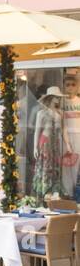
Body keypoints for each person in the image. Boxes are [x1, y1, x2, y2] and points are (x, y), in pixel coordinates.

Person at [32, 87, 65, 199]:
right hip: (45, 142)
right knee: (45, 167)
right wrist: (35, 148)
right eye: (56, 97)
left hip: (55, 144)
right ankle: (44, 194)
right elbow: (37, 131)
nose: (58, 99)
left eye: (59, 97)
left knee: (55, 168)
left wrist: (64, 146)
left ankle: (53, 193)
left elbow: (60, 132)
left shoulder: (59, 114)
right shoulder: (41, 113)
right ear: (50, 98)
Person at [62, 70, 80, 198]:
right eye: (67, 84)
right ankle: (67, 193)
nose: (70, 87)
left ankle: (75, 192)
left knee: (76, 165)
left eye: (73, 85)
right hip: (64, 136)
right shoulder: (61, 102)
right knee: (65, 166)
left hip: (78, 135)